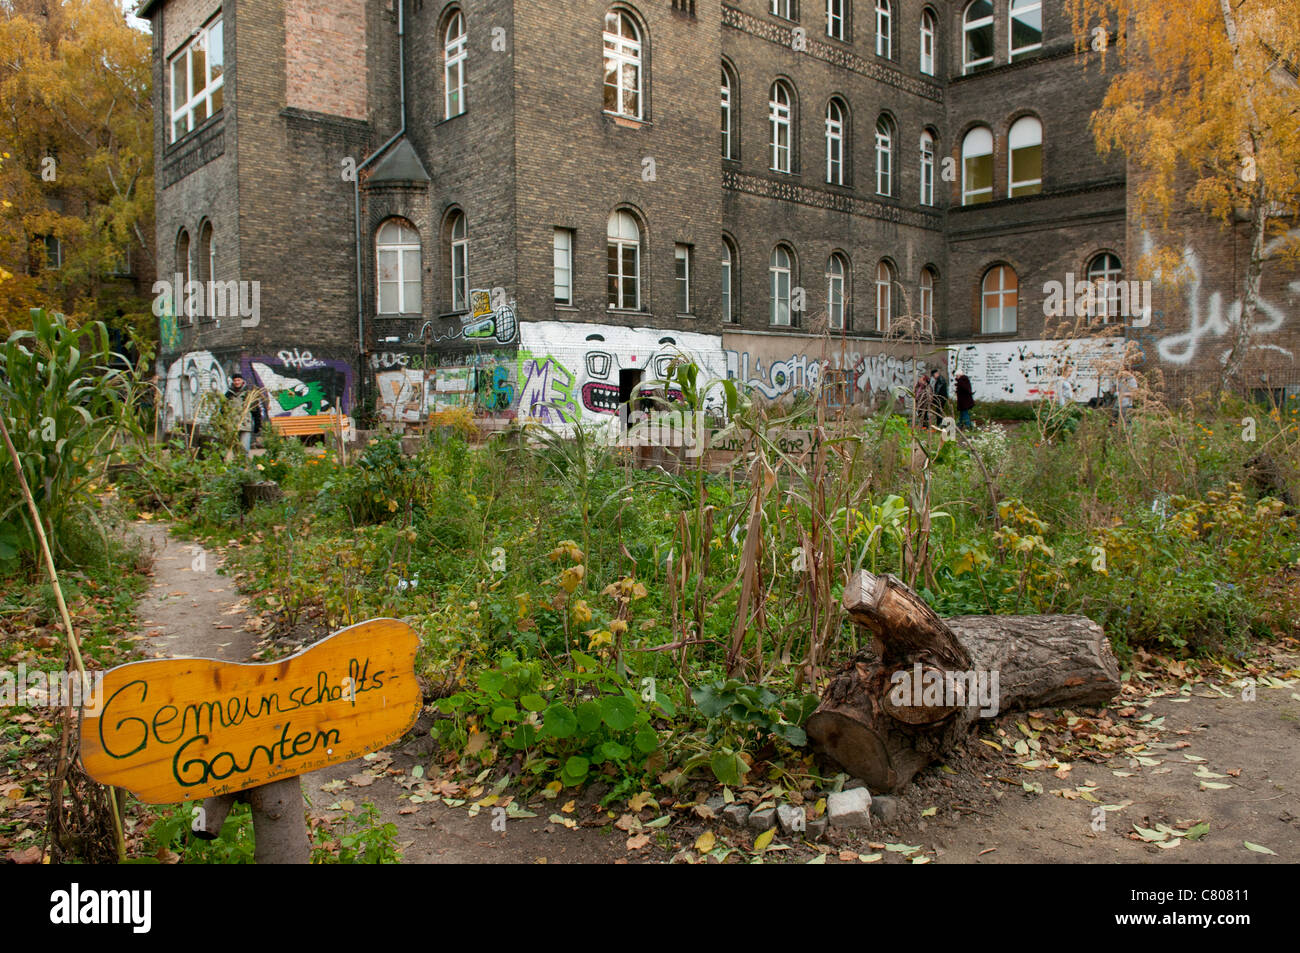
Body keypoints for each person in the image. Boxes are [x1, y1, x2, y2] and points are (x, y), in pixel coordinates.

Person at [225, 372, 262, 454]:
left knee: (244, 449)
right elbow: (224, 409)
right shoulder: (229, 394)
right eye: (235, 380)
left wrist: (257, 425)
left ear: (242, 381)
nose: (237, 382)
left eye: (238, 380)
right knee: (235, 449)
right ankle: (236, 465)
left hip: (245, 424)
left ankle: (244, 466)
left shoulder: (249, 394)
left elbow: (256, 411)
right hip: (233, 425)